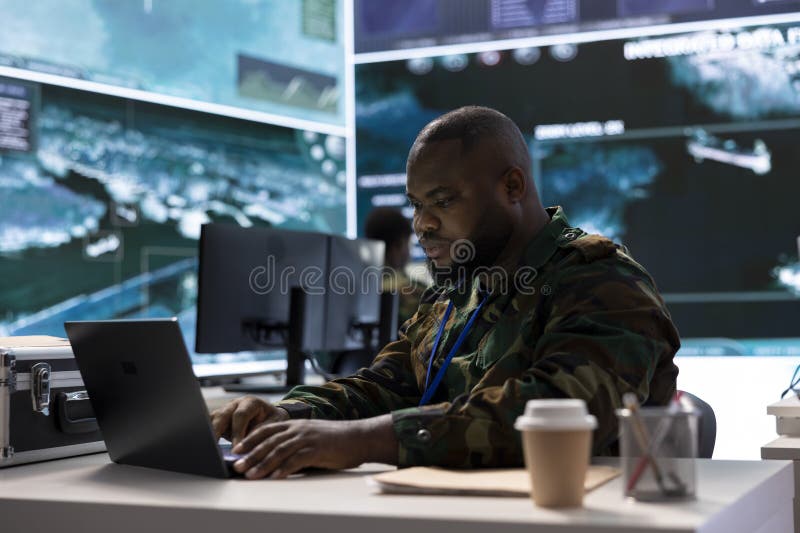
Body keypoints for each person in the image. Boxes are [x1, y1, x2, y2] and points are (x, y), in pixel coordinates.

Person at [210, 106, 680, 480]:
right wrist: (290, 413)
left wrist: (357, 442)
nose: (422, 224)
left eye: (443, 200)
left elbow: (554, 414)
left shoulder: (605, 283)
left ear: (512, 186)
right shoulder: (458, 288)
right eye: (416, 205)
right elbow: (385, 387)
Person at [364, 206, 428, 326]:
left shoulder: (351, 287)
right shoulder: (417, 292)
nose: (409, 252)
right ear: (397, 246)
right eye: (408, 244)